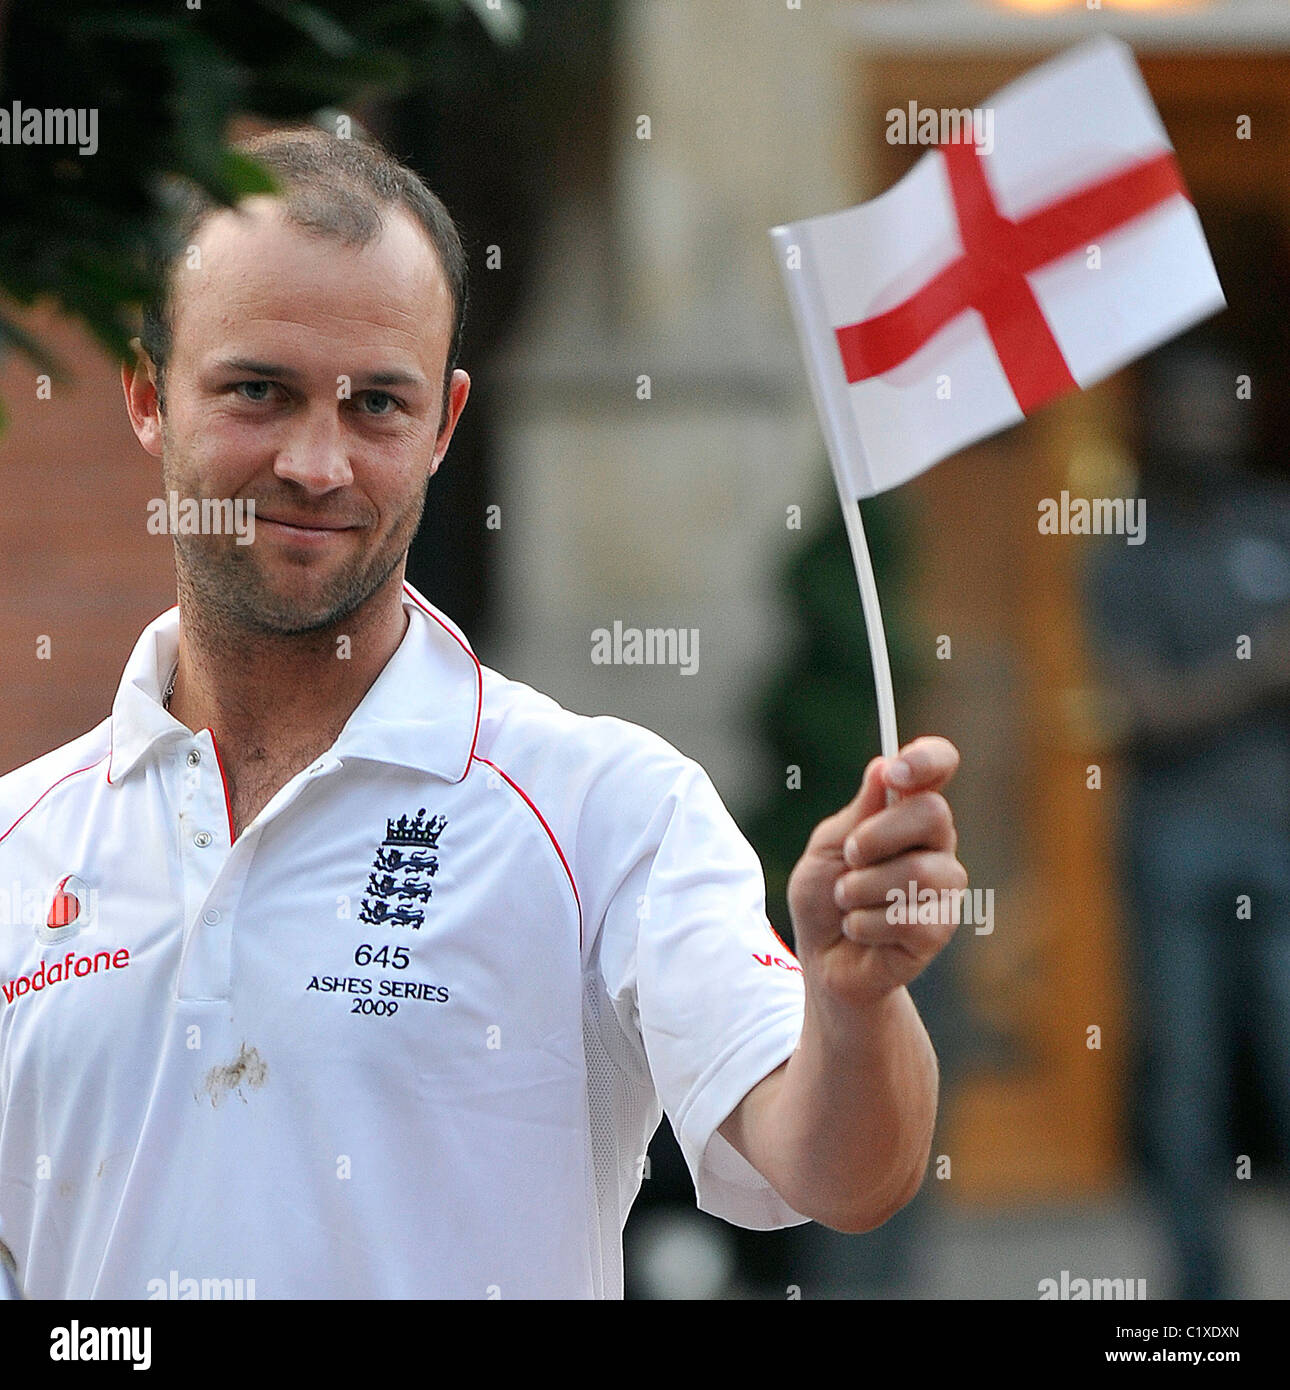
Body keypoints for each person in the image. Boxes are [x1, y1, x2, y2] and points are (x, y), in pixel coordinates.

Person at [0, 128, 967, 1299]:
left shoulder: (611, 808)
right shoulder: (22, 844)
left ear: (446, 425)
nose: (317, 460)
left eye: (377, 406)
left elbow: (843, 1172)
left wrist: (854, 1002)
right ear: (150, 396)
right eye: (258, 391)